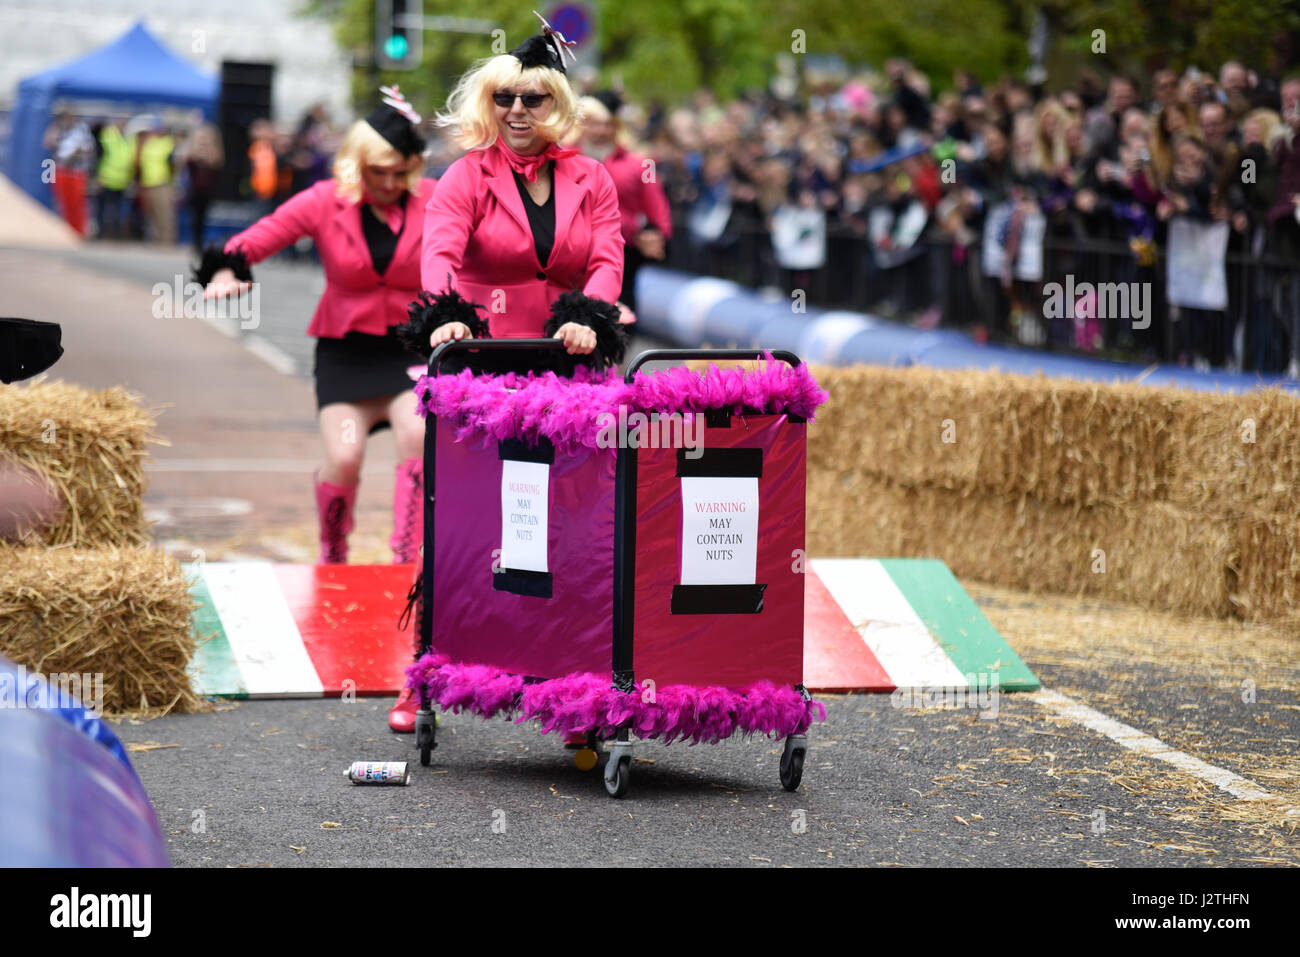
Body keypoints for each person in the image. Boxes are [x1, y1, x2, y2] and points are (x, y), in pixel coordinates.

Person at [391, 16, 628, 736]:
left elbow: (609, 257)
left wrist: (590, 314)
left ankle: (576, 682)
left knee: (576, 524)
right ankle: (422, 675)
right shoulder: (465, 176)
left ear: (556, 104)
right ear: (487, 106)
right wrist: (448, 316)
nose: (517, 112)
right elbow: (440, 251)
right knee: (465, 521)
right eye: (504, 100)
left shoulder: (593, 178)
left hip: (569, 364)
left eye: (531, 99)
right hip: (485, 367)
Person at [196, 87, 436, 591]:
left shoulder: (433, 199)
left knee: (417, 436)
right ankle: (333, 548)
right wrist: (224, 271)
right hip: (346, 352)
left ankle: (405, 561)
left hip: (411, 353)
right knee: (345, 457)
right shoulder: (325, 201)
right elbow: (258, 238)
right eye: (378, 173)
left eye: (400, 172)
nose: (390, 183)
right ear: (356, 164)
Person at [570, 91, 672, 315]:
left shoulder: (641, 165)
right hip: (571, 252)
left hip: (622, 254)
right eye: (594, 124)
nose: (601, 131)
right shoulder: (564, 159)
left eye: (607, 124)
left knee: (618, 318)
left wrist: (654, 235)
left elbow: (658, 210)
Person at [180, 124, 224, 252]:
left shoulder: (214, 154)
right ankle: (194, 242)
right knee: (195, 217)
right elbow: (185, 161)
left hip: (207, 192)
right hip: (194, 191)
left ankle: (199, 243)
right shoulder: (193, 154)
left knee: (203, 218)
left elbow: (216, 164)